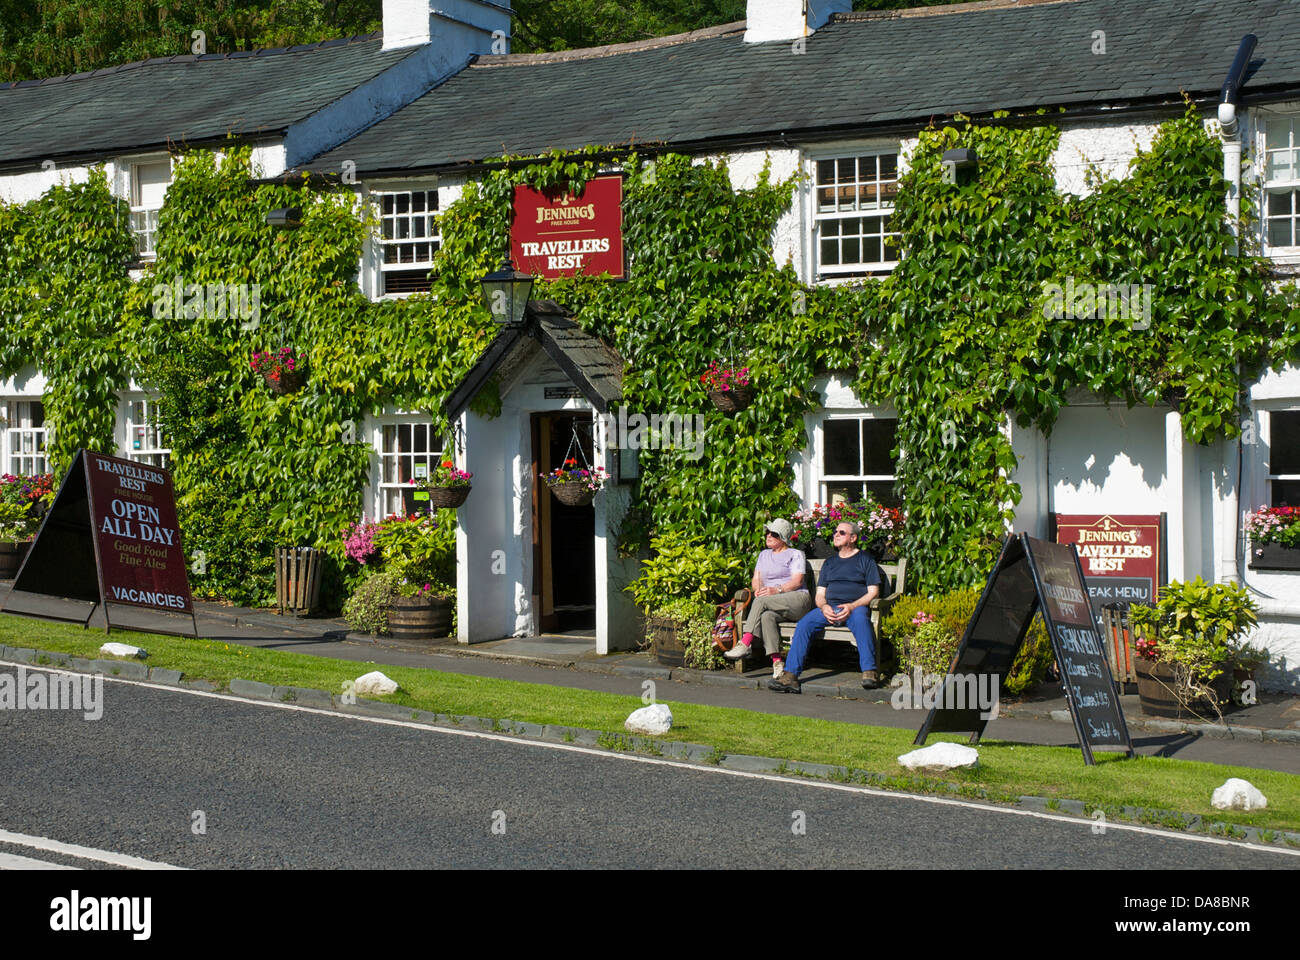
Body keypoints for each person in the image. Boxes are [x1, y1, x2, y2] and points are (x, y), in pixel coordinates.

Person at [769, 520, 882, 694]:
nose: (836, 534)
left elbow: (873, 592)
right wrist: (824, 607)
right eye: (835, 532)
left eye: (841, 532)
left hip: (855, 608)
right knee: (804, 624)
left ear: (853, 537)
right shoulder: (830, 563)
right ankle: (791, 676)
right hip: (830, 608)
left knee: (862, 620)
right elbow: (820, 595)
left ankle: (869, 672)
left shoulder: (865, 559)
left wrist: (852, 606)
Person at [725, 518, 811, 679]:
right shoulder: (764, 555)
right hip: (771, 604)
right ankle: (777, 662)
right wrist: (758, 589)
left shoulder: (795, 554)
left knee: (762, 601)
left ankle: (745, 643)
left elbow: (797, 581)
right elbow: (756, 578)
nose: (768, 536)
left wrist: (776, 590)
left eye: (774, 534)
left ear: (783, 537)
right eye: (768, 532)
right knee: (766, 616)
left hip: (797, 600)